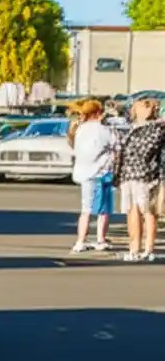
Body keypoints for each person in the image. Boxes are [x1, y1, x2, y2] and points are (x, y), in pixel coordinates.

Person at [112, 97, 165, 262]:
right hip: (127, 174)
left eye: (148, 106)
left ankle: (148, 249)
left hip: (146, 175)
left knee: (148, 211)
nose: (144, 109)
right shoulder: (132, 128)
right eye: (141, 106)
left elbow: (148, 149)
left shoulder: (156, 128)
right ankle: (134, 248)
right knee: (131, 210)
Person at [68, 99, 117, 253]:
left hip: (84, 174)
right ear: (97, 113)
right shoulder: (104, 130)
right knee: (103, 209)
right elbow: (116, 146)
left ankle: (80, 240)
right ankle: (100, 239)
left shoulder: (78, 129)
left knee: (86, 209)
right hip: (101, 173)